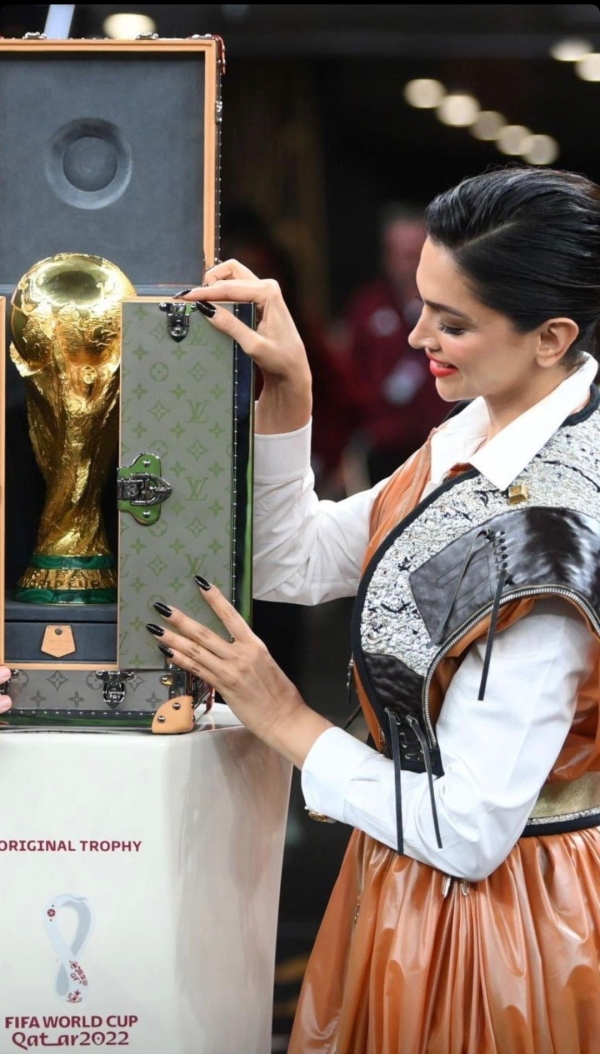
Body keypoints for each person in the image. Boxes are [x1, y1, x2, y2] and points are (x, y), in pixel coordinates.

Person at [147, 166, 600, 1053]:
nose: (418, 333)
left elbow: (468, 832)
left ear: (551, 336)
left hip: (504, 924)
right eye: (420, 301)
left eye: (452, 321)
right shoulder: (485, 423)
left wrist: (285, 718)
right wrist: (293, 397)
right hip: (412, 873)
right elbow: (298, 559)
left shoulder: (551, 531)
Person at [343, 205, 447, 484]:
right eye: (396, 254)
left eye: (413, 255)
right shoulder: (368, 307)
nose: (405, 265)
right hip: (385, 446)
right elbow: (351, 375)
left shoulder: (451, 307)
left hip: (443, 440)